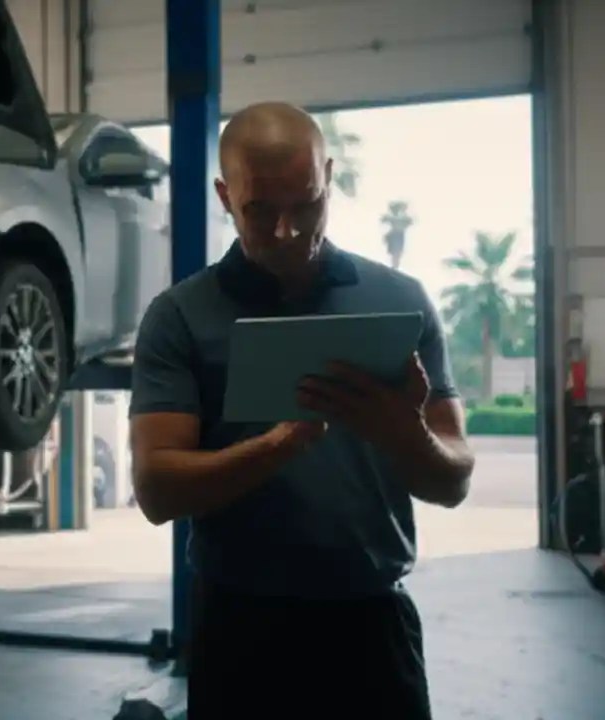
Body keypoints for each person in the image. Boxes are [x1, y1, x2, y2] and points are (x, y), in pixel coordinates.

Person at [129, 102, 476, 719]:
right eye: (260, 209)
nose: (287, 230)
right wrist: (280, 445)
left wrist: (404, 434)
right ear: (224, 195)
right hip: (241, 632)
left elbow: (451, 481)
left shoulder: (400, 303)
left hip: (372, 626)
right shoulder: (180, 317)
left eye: (306, 204)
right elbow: (157, 490)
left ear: (328, 179)